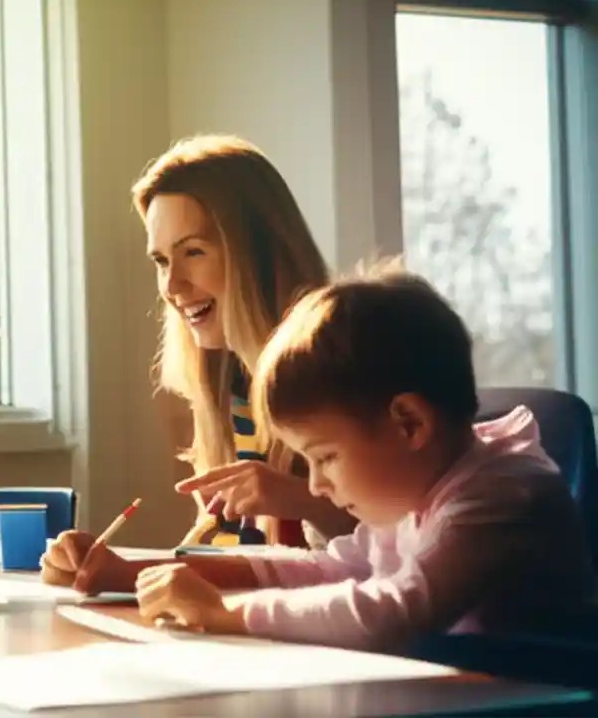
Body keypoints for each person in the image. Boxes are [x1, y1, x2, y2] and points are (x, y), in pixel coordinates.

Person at [125, 267, 592, 651]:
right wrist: (154, 575)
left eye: (325, 457)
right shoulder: (421, 489)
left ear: (409, 424)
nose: (315, 486)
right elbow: (331, 568)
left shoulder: (500, 494)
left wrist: (228, 614)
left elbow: (394, 612)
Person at [43, 135, 357, 593]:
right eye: (160, 260)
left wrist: (299, 500)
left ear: (260, 249)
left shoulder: (347, 364)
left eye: (193, 252)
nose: (172, 285)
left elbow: (401, 547)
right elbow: (228, 551)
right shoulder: (229, 381)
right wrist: (105, 565)